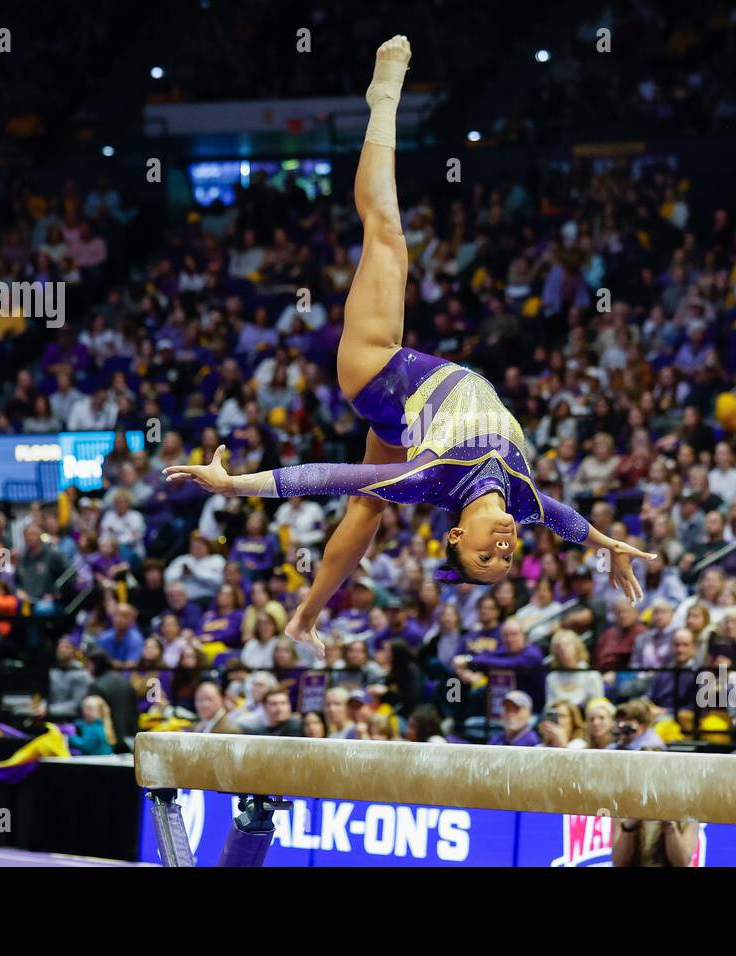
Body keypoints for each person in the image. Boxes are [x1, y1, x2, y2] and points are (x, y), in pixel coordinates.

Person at [162, 37, 655, 660]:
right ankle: (305, 618)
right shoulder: (522, 498)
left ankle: (384, 97)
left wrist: (237, 488)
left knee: (388, 236)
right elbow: (562, 518)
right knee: (370, 510)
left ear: (454, 533)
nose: (503, 545)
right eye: (507, 556)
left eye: (483, 553)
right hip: (404, 414)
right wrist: (607, 544)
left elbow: (328, 476)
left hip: (378, 371)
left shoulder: (438, 475)